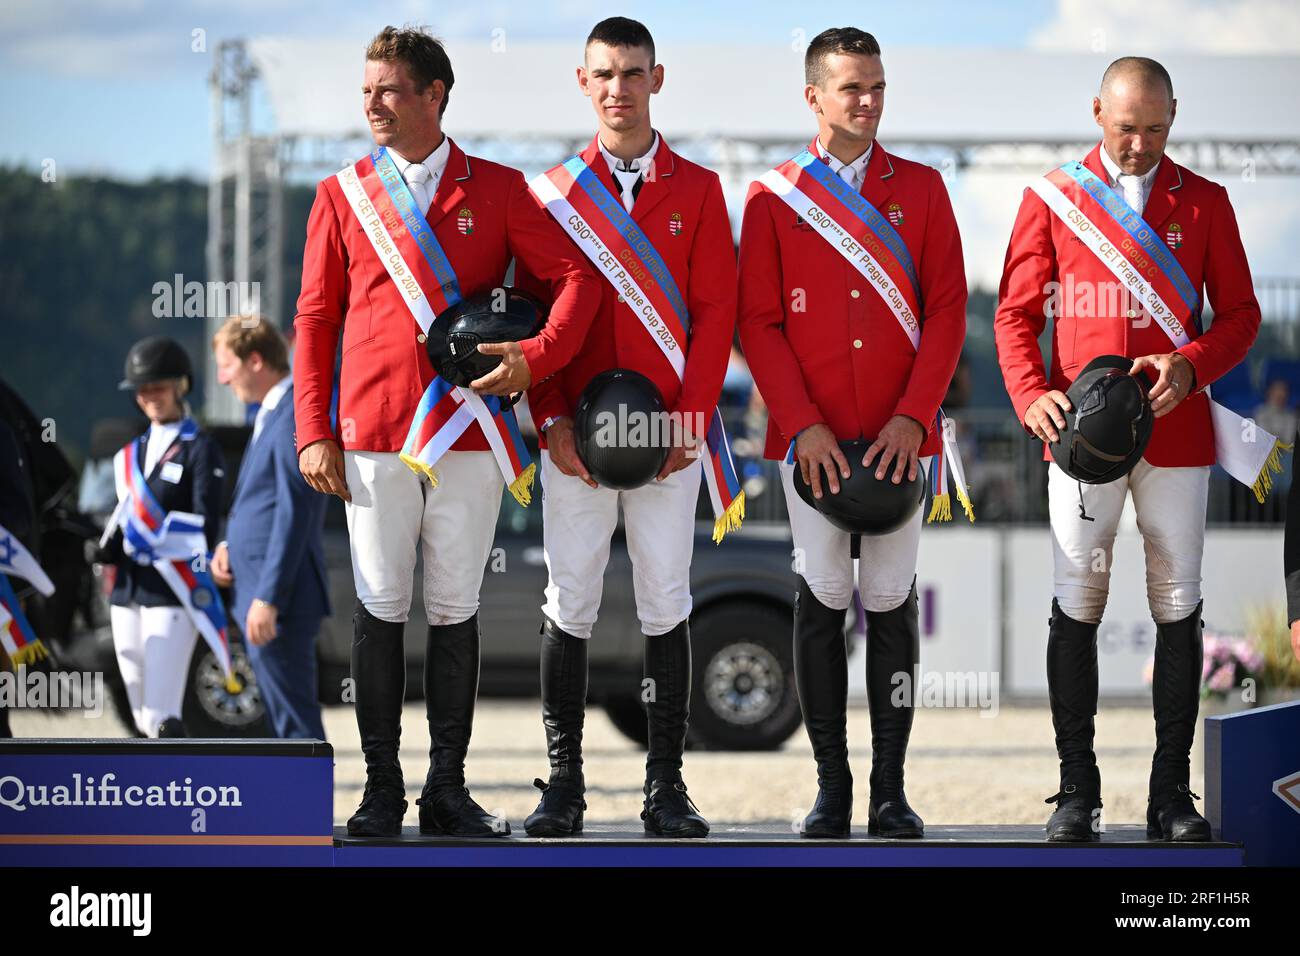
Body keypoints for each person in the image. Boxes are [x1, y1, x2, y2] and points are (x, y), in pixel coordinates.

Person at [293, 26, 600, 837]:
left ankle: (446, 791)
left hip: (467, 431)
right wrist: (310, 429)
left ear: (435, 95)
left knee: (456, 608)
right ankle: (380, 791)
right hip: (369, 433)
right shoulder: (340, 193)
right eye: (366, 90)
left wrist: (537, 359)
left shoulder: (499, 189)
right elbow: (316, 317)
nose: (373, 104)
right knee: (379, 607)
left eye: (389, 89)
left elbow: (576, 279)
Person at [993, 57, 1264, 842]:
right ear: (1096, 114)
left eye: (1154, 128)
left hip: (1177, 432)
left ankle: (1171, 796)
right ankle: (1077, 791)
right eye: (1124, 129)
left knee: (1177, 603)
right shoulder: (1051, 198)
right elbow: (1015, 316)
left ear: (1173, 116)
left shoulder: (1206, 202)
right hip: (1080, 438)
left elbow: (1241, 315)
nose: (1139, 144)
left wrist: (1191, 363)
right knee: (1077, 599)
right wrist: (1027, 393)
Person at [737, 27, 967, 839]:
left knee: (891, 604)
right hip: (816, 448)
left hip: (902, 441)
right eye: (849, 88)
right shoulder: (772, 198)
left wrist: (912, 417)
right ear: (814, 97)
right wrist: (801, 426)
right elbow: (758, 325)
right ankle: (832, 787)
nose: (866, 101)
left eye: (875, 86)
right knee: (822, 601)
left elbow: (947, 312)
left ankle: (891, 790)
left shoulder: (928, 190)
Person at [521, 17, 739, 838]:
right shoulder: (549, 194)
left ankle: (666, 786)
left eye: (634, 73)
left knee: (666, 601)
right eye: (605, 74)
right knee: (568, 600)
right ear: (584, 82)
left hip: (670, 437)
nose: (620, 88)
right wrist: (549, 423)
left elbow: (716, 314)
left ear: (658, 79)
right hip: (575, 438)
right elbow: (531, 318)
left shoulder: (702, 189)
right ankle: (564, 786)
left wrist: (691, 416)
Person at [212, 316, 330, 740]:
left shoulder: (291, 416)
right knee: (282, 721)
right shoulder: (271, 414)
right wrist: (229, 542)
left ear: (256, 361)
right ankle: (297, 805)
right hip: (262, 591)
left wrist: (268, 596)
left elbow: (294, 512)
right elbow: (258, 502)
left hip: (279, 597)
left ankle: (308, 806)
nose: (223, 379)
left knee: (294, 723)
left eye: (227, 366)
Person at [103, 336, 226, 738]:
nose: (150, 396)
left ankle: (177, 789)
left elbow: (207, 524)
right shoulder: (130, 453)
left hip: (173, 587)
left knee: (162, 711)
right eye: (143, 389)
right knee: (138, 711)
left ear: (180, 386)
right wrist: (106, 542)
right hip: (127, 589)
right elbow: (121, 516)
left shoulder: (200, 448)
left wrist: (154, 536)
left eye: (158, 386)